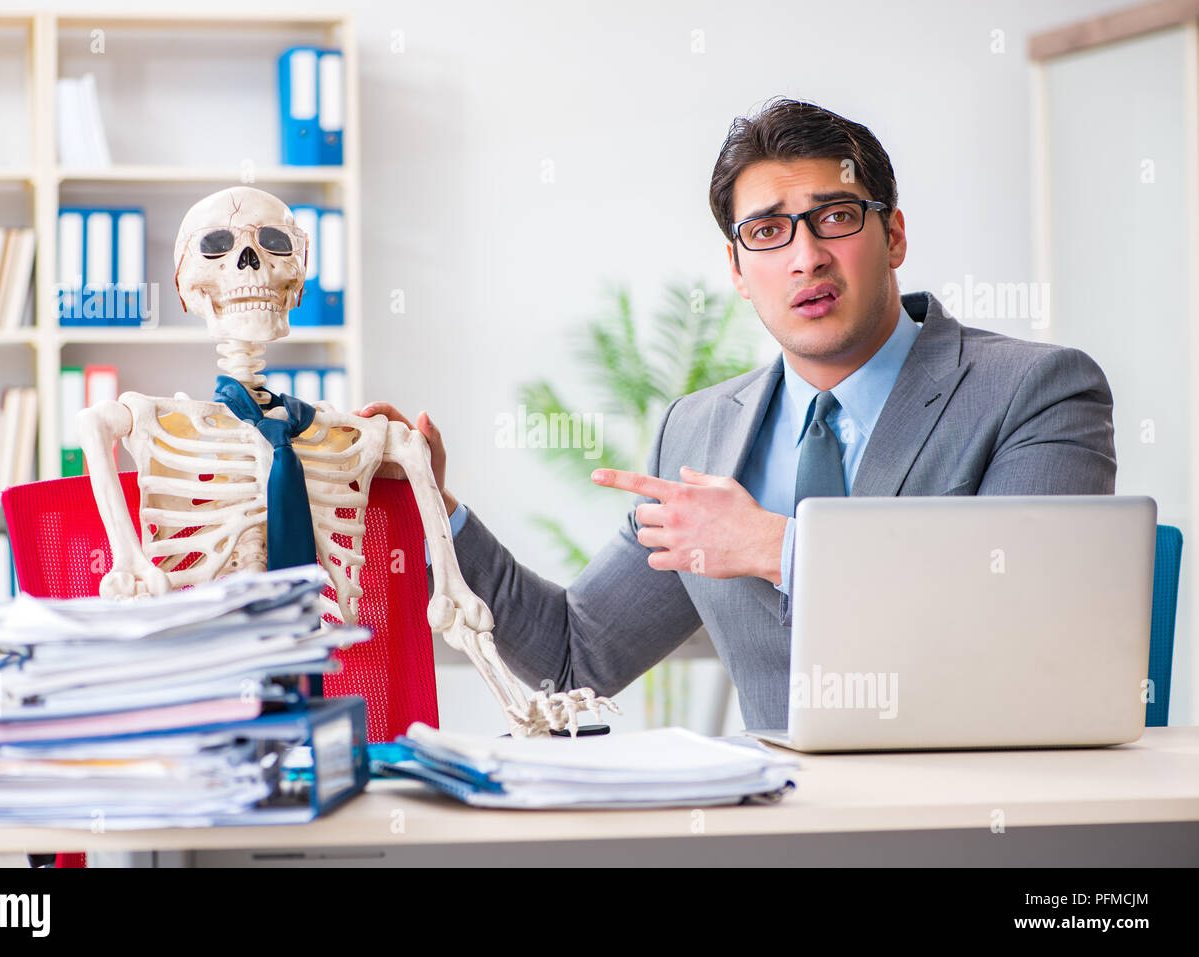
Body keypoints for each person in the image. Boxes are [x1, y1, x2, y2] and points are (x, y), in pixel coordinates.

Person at [355, 97, 1115, 730]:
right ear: (738, 270)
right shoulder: (699, 430)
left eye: (837, 217)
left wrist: (777, 548)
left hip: (977, 821)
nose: (806, 256)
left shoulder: (1036, 389)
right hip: (780, 830)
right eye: (767, 231)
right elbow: (576, 656)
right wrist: (434, 507)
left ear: (895, 234)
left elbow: (1026, 628)